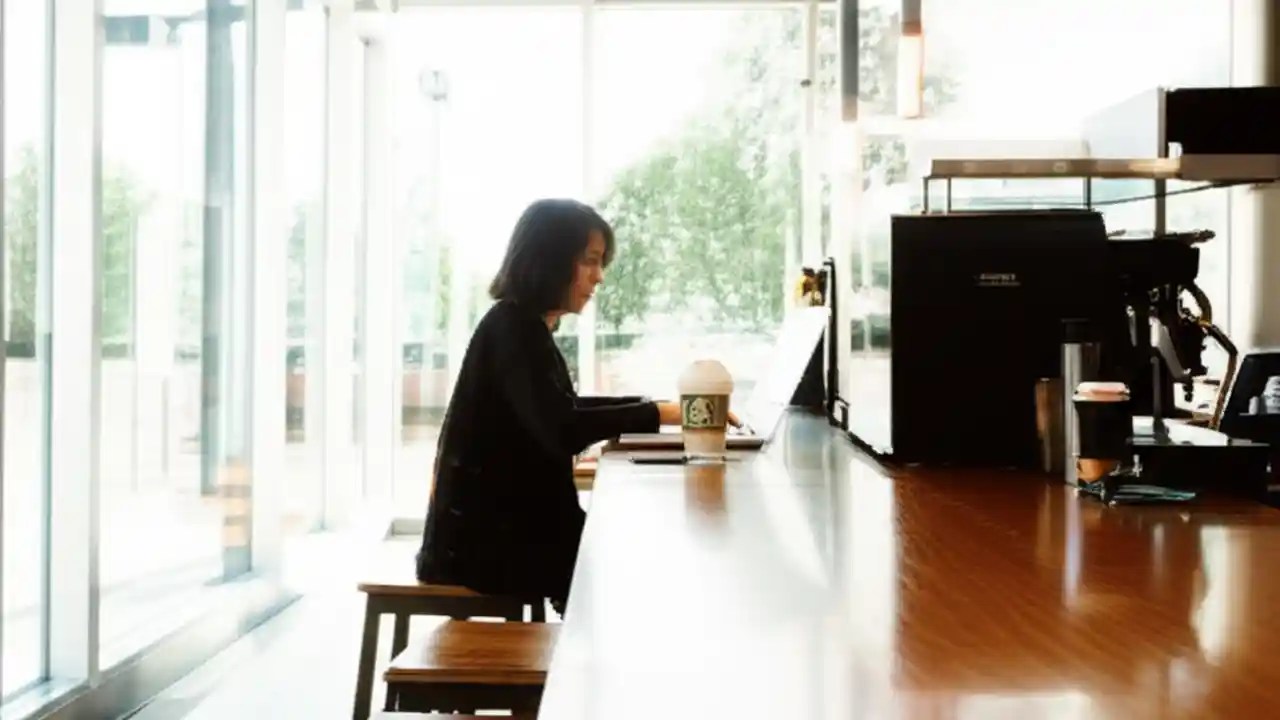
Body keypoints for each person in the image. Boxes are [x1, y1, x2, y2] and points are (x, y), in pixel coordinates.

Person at [414, 198, 685, 615]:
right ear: (552, 260)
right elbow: (560, 425)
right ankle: (588, 669)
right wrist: (658, 413)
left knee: (630, 553)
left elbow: (562, 408)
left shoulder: (520, 325)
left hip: (492, 535)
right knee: (641, 562)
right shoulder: (513, 329)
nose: (599, 277)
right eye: (590, 261)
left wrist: (657, 408)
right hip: (480, 550)